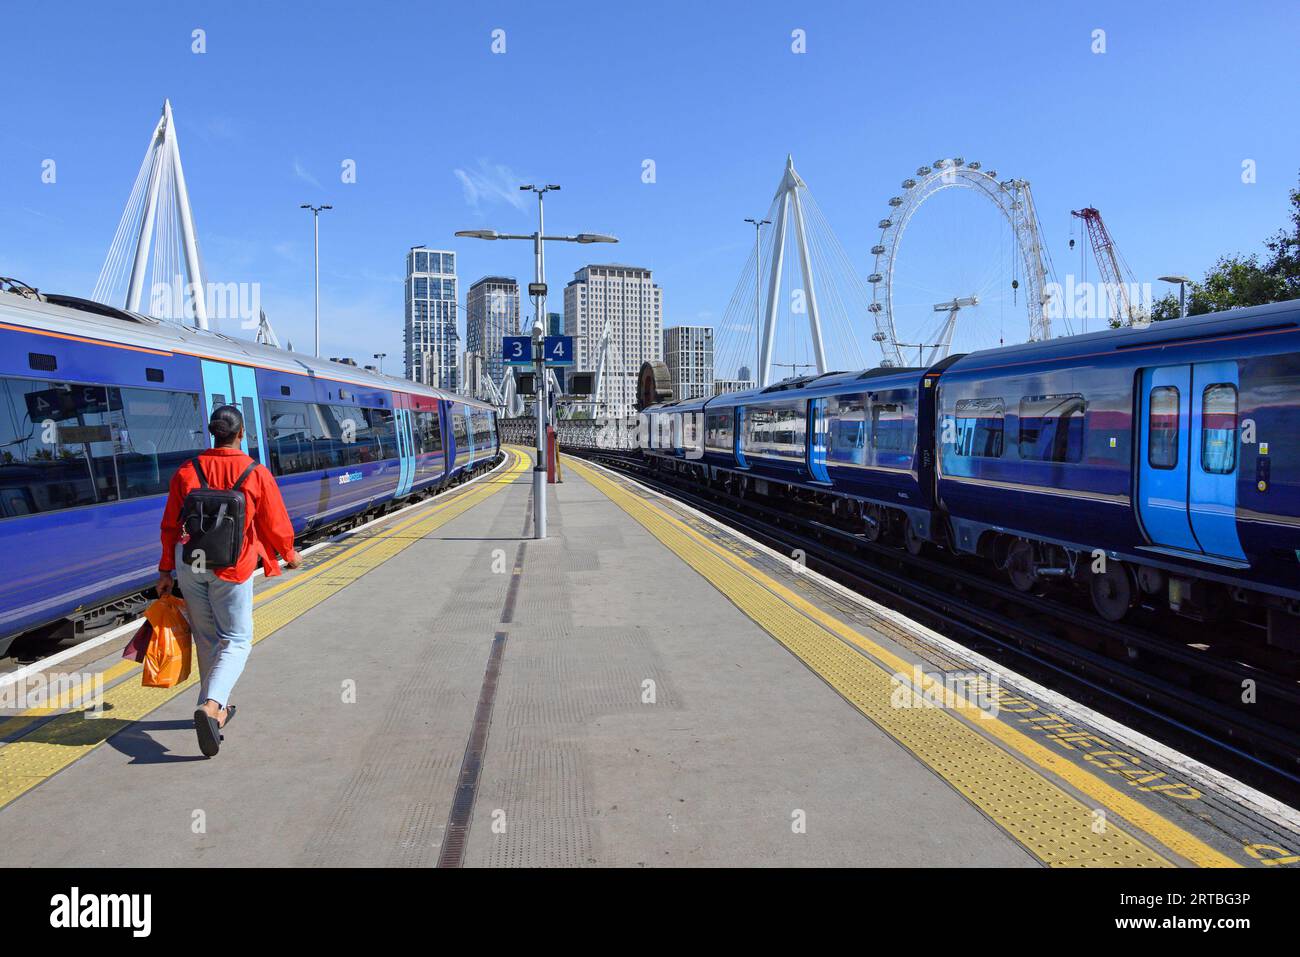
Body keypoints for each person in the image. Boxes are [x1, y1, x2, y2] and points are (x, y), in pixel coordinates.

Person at [157, 405, 301, 757]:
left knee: (208, 639)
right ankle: (211, 705)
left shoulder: (186, 471)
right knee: (237, 639)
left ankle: (216, 711)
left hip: (191, 563)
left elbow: (171, 526)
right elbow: (275, 522)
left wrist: (164, 570)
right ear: (241, 434)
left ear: (213, 434)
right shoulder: (255, 472)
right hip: (232, 566)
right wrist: (289, 554)